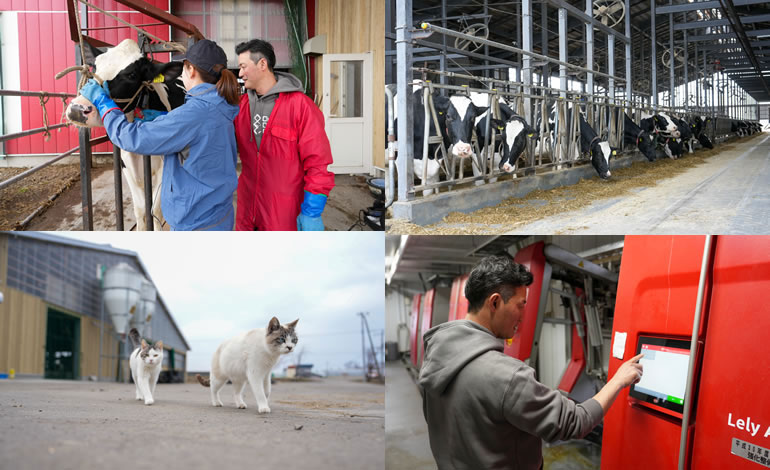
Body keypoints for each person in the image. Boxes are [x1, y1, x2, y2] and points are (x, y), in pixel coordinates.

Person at [418, 255, 644, 470]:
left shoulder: (436, 357)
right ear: (495, 302)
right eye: (520, 305)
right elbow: (575, 422)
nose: (523, 314)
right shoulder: (507, 376)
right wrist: (618, 380)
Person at [78, 39, 240, 231]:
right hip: (220, 214)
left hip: (195, 223)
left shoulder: (192, 114)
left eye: (183, 69)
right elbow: (198, 134)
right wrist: (164, 119)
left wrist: (102, 102)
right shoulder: (222, 106)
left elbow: (130, 138)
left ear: (191, 70)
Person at [233, 39, 335, 231]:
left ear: (262, 64)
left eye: (243, 67)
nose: (240, 74)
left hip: (283, 212)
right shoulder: (241, 106)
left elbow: (318, 163)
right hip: (247, 210)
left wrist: (312, 211)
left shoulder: (300, 106)